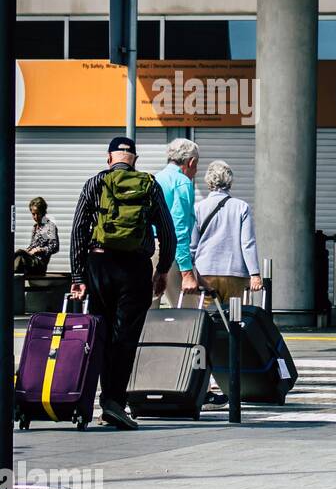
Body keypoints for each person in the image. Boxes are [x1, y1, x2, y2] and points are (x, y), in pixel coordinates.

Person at [68, 136, 177, 430]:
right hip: (136, 268)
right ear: (135, 160)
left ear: (108, 159)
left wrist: (78, 276)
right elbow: (167, 232)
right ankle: (113, 402)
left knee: (99, 334)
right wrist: (163, 270)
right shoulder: (149, 185)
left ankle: (87, 401)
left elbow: (78, 229)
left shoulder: (94, 184)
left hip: (100, 265)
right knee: (125, 337)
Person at [192, 160, 263, 304]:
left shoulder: (198, 208)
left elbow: (192, 245)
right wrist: (254, 274)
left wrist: (188, 272)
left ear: (208, 181)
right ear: (230, 181)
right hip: (235, 273)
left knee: (207, 319)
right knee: (235, 319)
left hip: (205, 272)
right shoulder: (241, 207)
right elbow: (247, 243)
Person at [153, 138, 201, 308]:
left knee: (147, 313)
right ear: (191, 161)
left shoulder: (155, 179)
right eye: (196, 165)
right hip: (169, 252)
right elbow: (179, 227)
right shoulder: (182, 182)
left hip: (147, 251)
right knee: (188, 311)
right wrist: (187, 272)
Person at [13, 197, 59, 276]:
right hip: (31, 260)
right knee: (16, 254)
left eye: (38, 213)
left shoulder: (49, 226)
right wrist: (27, 250)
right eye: (33, 214)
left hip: (39, 264)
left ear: (43, 212)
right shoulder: (35, 227)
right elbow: (33, 245)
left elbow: (54, 246)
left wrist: (39, 250)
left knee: (20, 259)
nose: (36, 217)